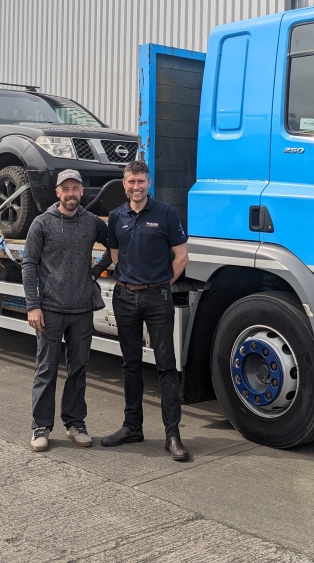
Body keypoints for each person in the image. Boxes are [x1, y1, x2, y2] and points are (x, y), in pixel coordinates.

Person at [100, 160, 191, 461]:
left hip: (157, 298)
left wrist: (162, 284)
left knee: (166, 365)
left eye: (141, 181)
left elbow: (181, 257)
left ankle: (172, 435)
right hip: (124, 297)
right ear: (124, 184)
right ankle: (132, 427)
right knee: (130, 365)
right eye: (131, 182)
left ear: (148, 183)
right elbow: (116, 256)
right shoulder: (116, 217)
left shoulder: (165, 213)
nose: (136, 187)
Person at [22, 169, 110, 452]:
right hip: (50, 311)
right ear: (57, 192)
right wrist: (33, 306)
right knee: (46, 370)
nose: (71, 193)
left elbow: (115, 247)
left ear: (82, 192)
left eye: (75, 188)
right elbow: (29, 265)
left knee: (78, 369)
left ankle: (75, 424)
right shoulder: (42, 223)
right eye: (65, 188)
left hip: (82, 309)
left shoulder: (92, 223)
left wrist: (95, 272)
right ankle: (41, 427)